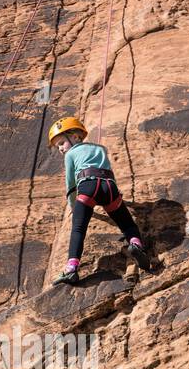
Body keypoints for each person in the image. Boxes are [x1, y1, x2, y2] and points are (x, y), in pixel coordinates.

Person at [48, 117, 150, 285]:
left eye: (61, 143)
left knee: (78, 229)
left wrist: (74, 206)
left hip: (88, 188)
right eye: (58, 145)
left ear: (75, 137)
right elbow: (109, 171)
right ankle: (136, 244)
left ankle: (71, 269)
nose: (60, 148)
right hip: (109, 187)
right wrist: (117, 196)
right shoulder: (100, 149)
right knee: (127, 224)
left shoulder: (70, 155)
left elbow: (71, 184)